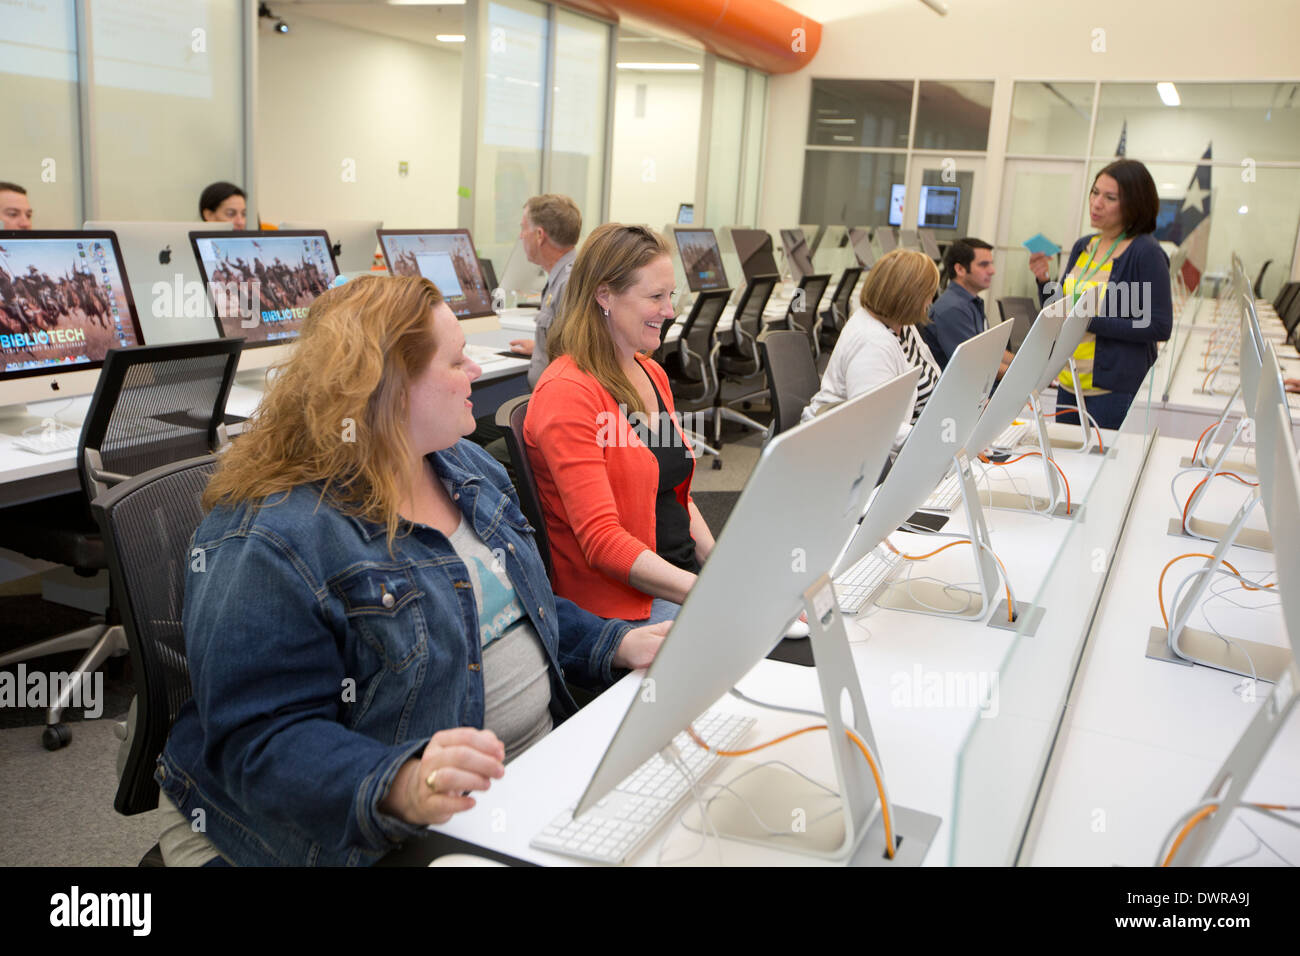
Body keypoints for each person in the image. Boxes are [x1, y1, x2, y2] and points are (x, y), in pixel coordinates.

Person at [155, 274, 670, 866]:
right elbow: (263, 743)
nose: (476, 371)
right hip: (355, 828)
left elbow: (524, 609)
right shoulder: (272, 536)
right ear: (390, 387)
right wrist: (400, 782)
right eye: (455, 362)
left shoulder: (464, 466)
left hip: (517, 783)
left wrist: (620, 641)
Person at [524, 223, 716, 626]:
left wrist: (719, 566)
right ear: (605, 295)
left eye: (671, 295)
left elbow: (674, 498)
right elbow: (603, 543)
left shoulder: (651, 374)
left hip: (676, 579)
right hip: (625, 603)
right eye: (655, 297)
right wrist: (708, 591)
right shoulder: (568, 393)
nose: (670, 311)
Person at [1029, 159, 1172, 429]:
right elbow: (1060, 308)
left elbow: (1160, 326)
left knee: (1095, 466)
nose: (1097, 203)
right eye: (1095, 192)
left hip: (1112, 390)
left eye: (1110, 198)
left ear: (1133, 204)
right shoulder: (1084, 245)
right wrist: (1043, 280)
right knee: (1066, 462)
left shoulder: (1145, 252)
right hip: (1069, 380)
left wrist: (1085, 319)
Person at [801, 248, 942, 452]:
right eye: (928, 294)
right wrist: (940, 440)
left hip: (908, 436)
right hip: (839, 450)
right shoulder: (873, 344)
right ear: (908, 298)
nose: (931, 301)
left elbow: (930, 374)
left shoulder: (903, 324)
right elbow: (876, 427)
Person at [507, 194, 581, 388]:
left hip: (559, 404)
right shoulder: (564, 277)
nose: (521, 235)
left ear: (540, 235)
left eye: (524, 228)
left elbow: (578, 356)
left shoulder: (569, 284)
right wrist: (541, 349)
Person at [923, 237, 1012, 378]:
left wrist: (1022, 365)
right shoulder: (951, 309)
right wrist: (1021, 374)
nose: (992, 271)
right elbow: (976, 364)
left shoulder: (971, 302)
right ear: (960, 269)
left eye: (991, 264)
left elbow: (991, 349)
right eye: (984, 265)